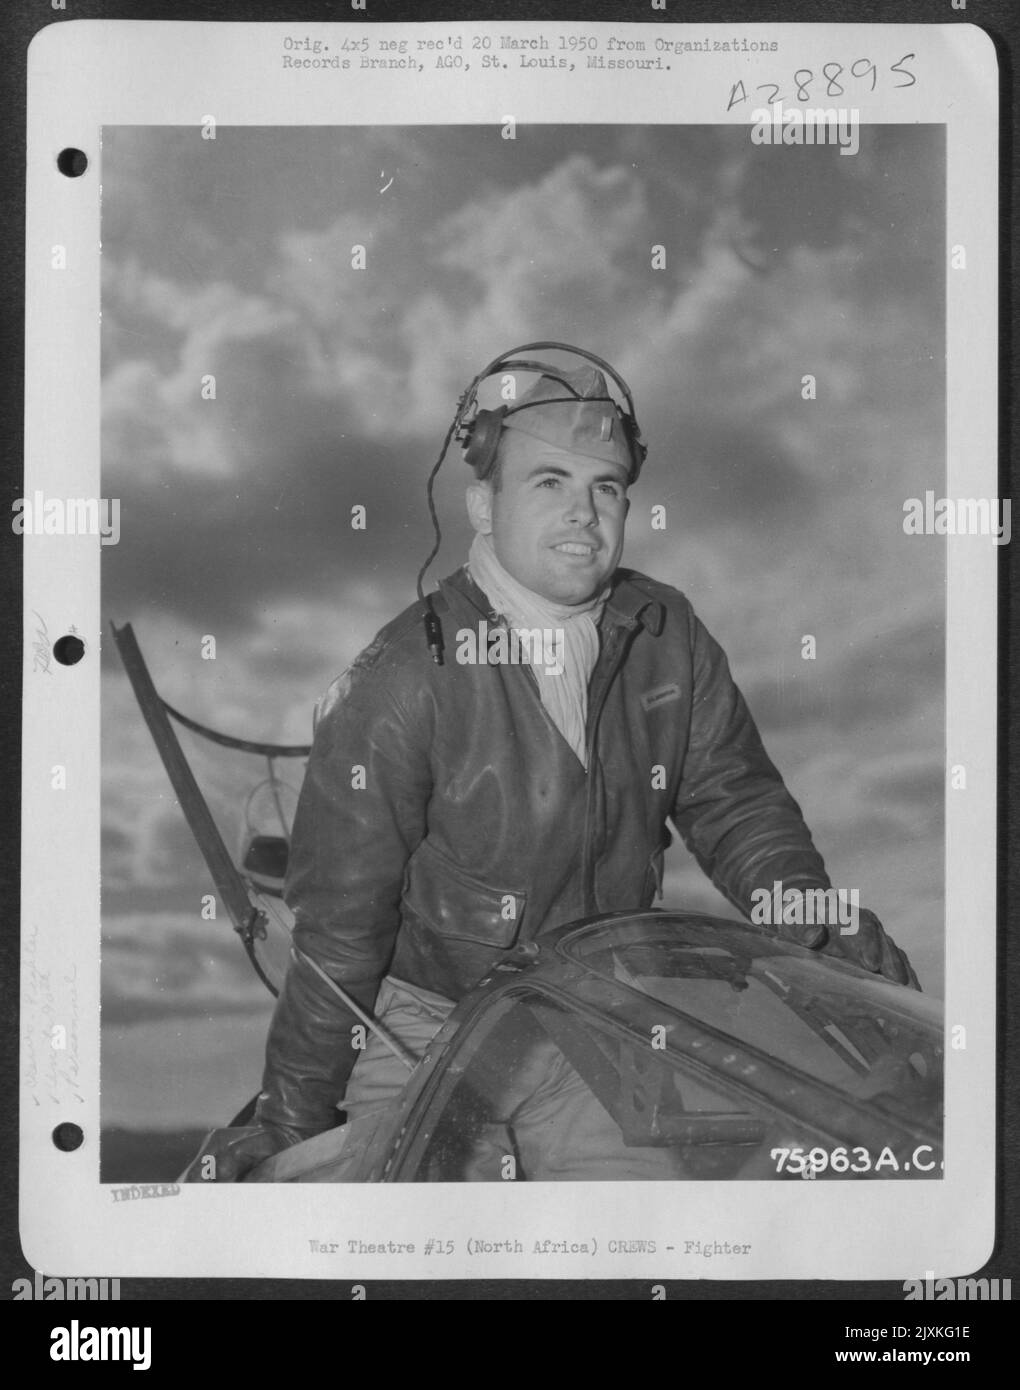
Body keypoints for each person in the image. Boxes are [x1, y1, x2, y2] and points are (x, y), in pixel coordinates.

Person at [186, 344, 918, 1183]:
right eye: (549, 483)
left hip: (589, 1022)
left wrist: (807, 905)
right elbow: (338, 941)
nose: (585, 513)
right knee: (419, 1243)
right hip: (422, 1030)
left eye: (605, 488)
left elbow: (735, 798)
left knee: (636, 1237)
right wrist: (287, 1123)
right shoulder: (398, 680)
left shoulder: (665, 632)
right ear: (483, 505)